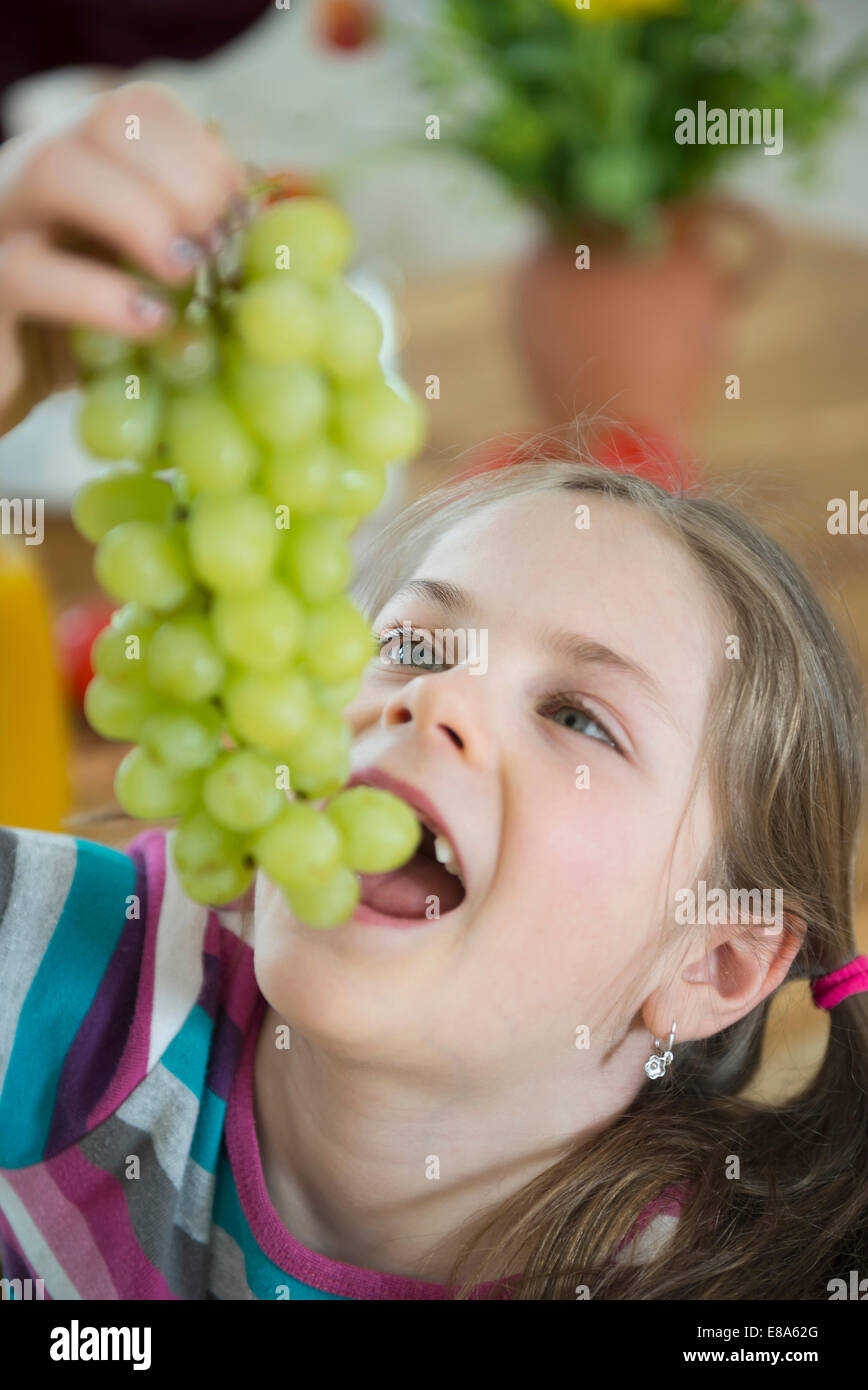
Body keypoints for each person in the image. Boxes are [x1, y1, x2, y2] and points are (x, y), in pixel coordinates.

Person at [1, 83, 867, 1301]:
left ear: (715, 962)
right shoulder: (64, 971)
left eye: (576, 714)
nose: (431, 705)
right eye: (411, 646)